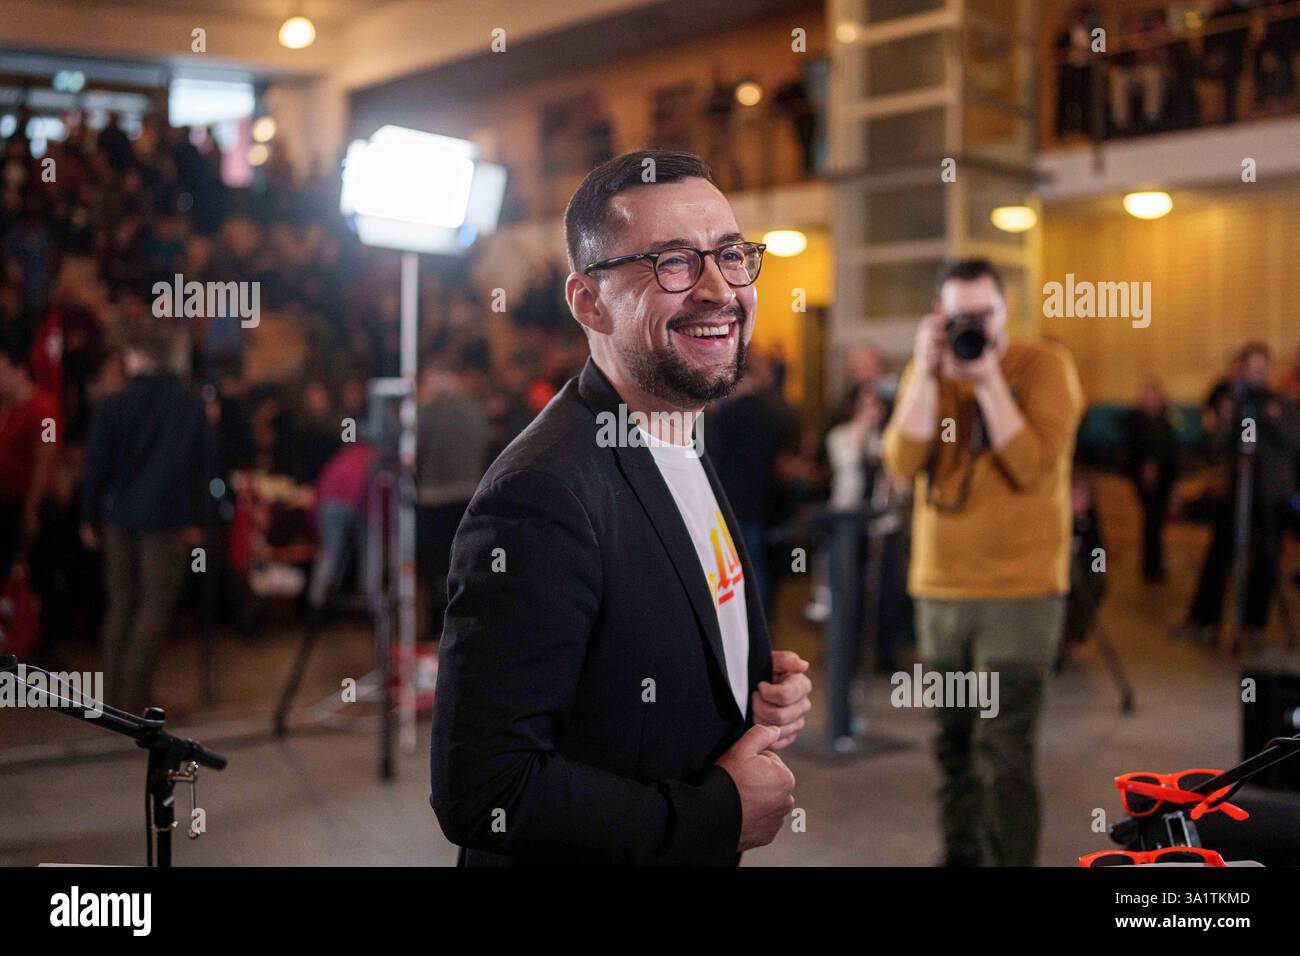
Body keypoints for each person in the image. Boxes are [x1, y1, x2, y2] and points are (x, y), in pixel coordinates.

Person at [430, 150, 809, 866]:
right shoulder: (540, 495)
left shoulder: (685, 435)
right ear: (588, 302)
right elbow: (483, 789)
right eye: (673, 262)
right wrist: (715, 811)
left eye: (730, 254)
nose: (718, 288)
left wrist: (739, 692)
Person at [883, 258, 1084, 866]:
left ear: (1006, 310)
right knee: (951, 744)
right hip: (941, 590)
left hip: (1020, 592)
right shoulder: (931, 372)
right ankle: (961, 857)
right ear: (941, 317)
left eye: (984, 314)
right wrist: (923, 371)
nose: (973, 327)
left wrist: (989, 380)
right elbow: (899, 465)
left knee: (1004, 747)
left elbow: (1030, 465)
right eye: (959, 316)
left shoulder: (1044, 366)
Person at [80, 322, 216, 712]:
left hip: (120, 517)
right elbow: (204, 467)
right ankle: (135, 699)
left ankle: (115, 699)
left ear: (138, 357)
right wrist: (199, 519)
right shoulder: (189, 406)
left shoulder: (114, 404)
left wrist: (88, 516)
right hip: (166, 518)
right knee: (153, 608)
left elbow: (96, 465)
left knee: (121, 604)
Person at [1180, 342, 1300, 649]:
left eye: (1263, 369)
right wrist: (1226, 417)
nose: (1258, 375)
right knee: (1219, 556)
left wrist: (1274, 420)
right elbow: (1217, 446)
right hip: (1238, 493)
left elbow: (1294, 444)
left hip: (1271, 497)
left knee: (1266, 561)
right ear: (1243, 369)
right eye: (1252, 369)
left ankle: (1254, 626)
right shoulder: (1234, 404)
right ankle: (1205, 621)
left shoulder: (1283, 405)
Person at [0, 327, 59, 591]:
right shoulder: (7, 407)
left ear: (19, 371)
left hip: (29, 504)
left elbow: (45, 458)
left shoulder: (45, 410)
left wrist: (31, 507)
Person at [1124, 377, 1178, 583]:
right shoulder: (1137, 421)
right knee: (1151, 521)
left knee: (1155, 522)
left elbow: (1170, 449)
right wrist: (1147, 466)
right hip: (1145, 478)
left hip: (1164, 477)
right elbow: (1135, 450)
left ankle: (1154, 565)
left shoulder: (1165, 420)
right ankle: (1151, 567)